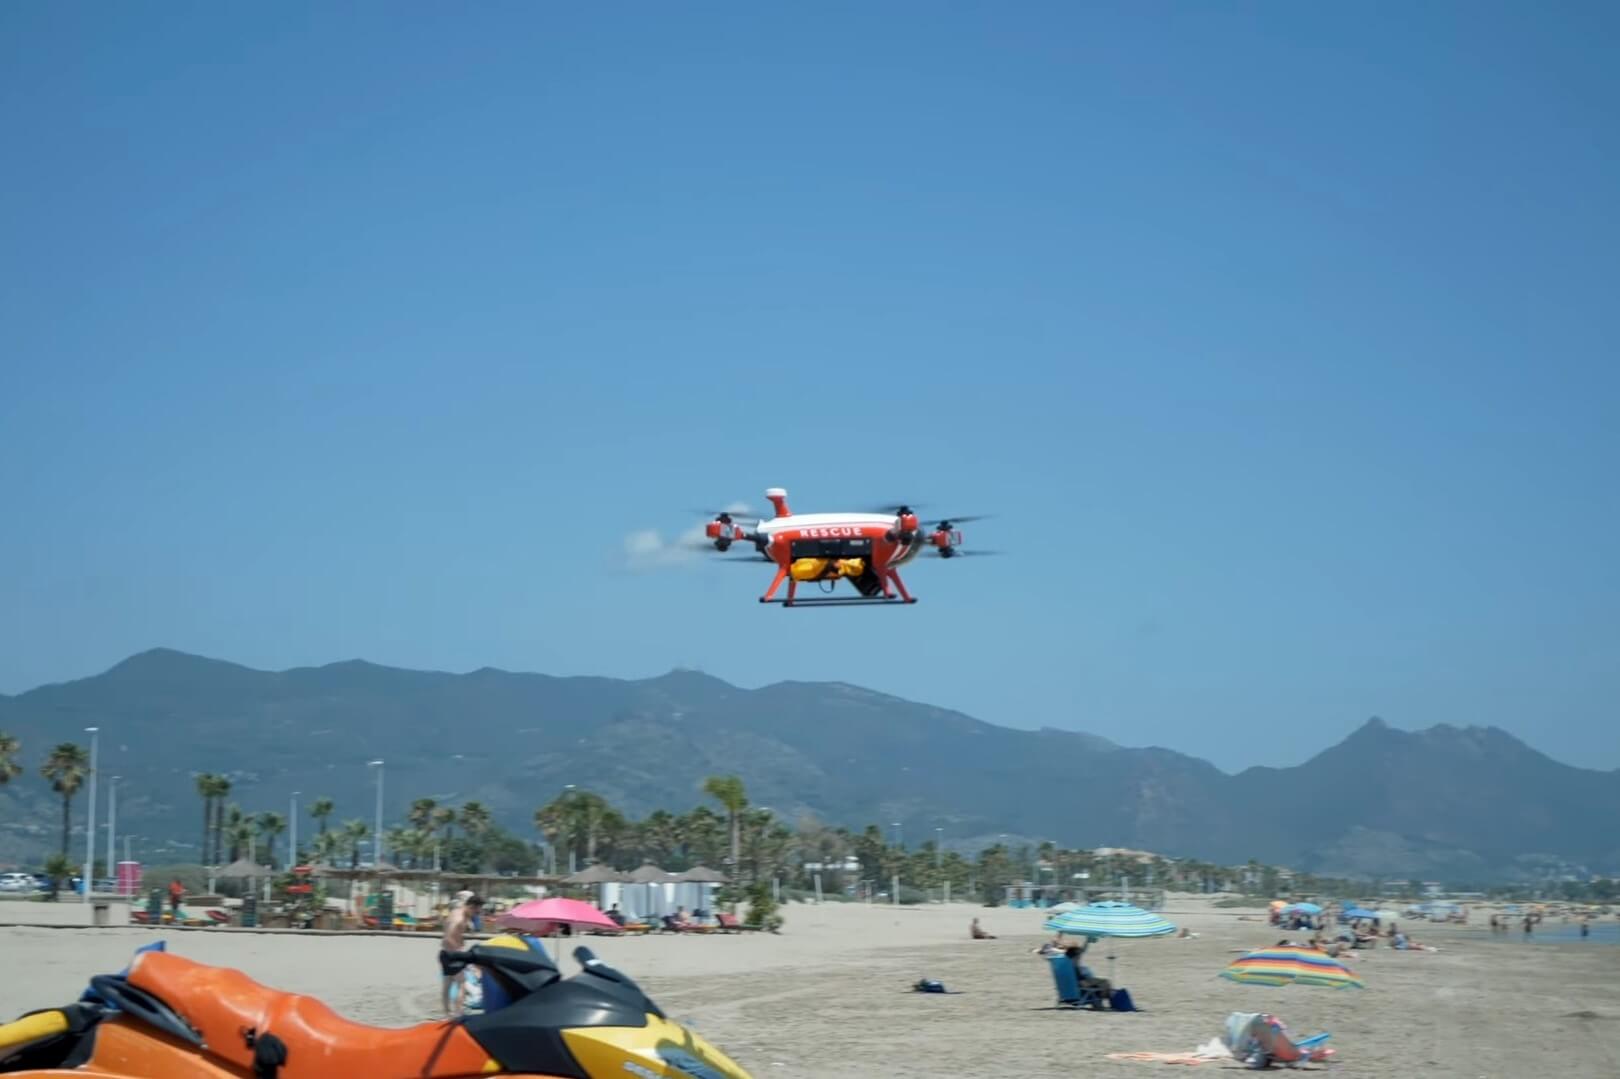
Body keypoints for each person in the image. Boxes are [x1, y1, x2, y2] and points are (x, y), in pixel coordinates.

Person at [440, 894, 484, 1017]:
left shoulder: (456, 912)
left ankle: (447, 1014)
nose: (476, 914)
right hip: (452, 955)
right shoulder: (459, 919)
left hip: (444, 953)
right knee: (462, 984)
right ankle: (458, 1013)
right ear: (471, 906)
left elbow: (446, 929)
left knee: (447, 985)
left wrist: (462, 936)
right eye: (476, 911)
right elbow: (448, 937)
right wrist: (459, 951)